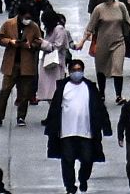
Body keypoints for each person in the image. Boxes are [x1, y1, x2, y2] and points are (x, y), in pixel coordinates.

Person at [44, 58, 113, 193]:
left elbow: (100, 108)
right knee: (67, 160)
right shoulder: (62, 88)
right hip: (67, 132)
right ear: (69, 72)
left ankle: (83, 178)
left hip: (86, 132)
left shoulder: (90, 87)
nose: (77, 72)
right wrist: (51, 128)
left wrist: (106, 127)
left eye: (79, 70)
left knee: (88, 159)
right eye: (74, 70)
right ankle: (70, 186)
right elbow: (54, 109)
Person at [77, 0, 130, 104]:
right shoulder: (99, 9)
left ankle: (118, 95)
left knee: (117, 68)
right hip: (102, 43)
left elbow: (128, 21)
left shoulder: (120, 6)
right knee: (101, 69)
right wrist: (82, 41)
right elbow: (90, 27)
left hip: (118, 42)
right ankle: (101, 94)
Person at [0, 0, 42, 127]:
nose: (27, 19)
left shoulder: (34, 27)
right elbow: (0, 39)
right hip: (11, 63)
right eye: (25, 16)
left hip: (27, 64)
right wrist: (10, 42)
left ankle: (21, 117)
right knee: (5, 91)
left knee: (25, 93)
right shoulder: (9, 24)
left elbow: (39, 41)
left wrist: (30, 45)